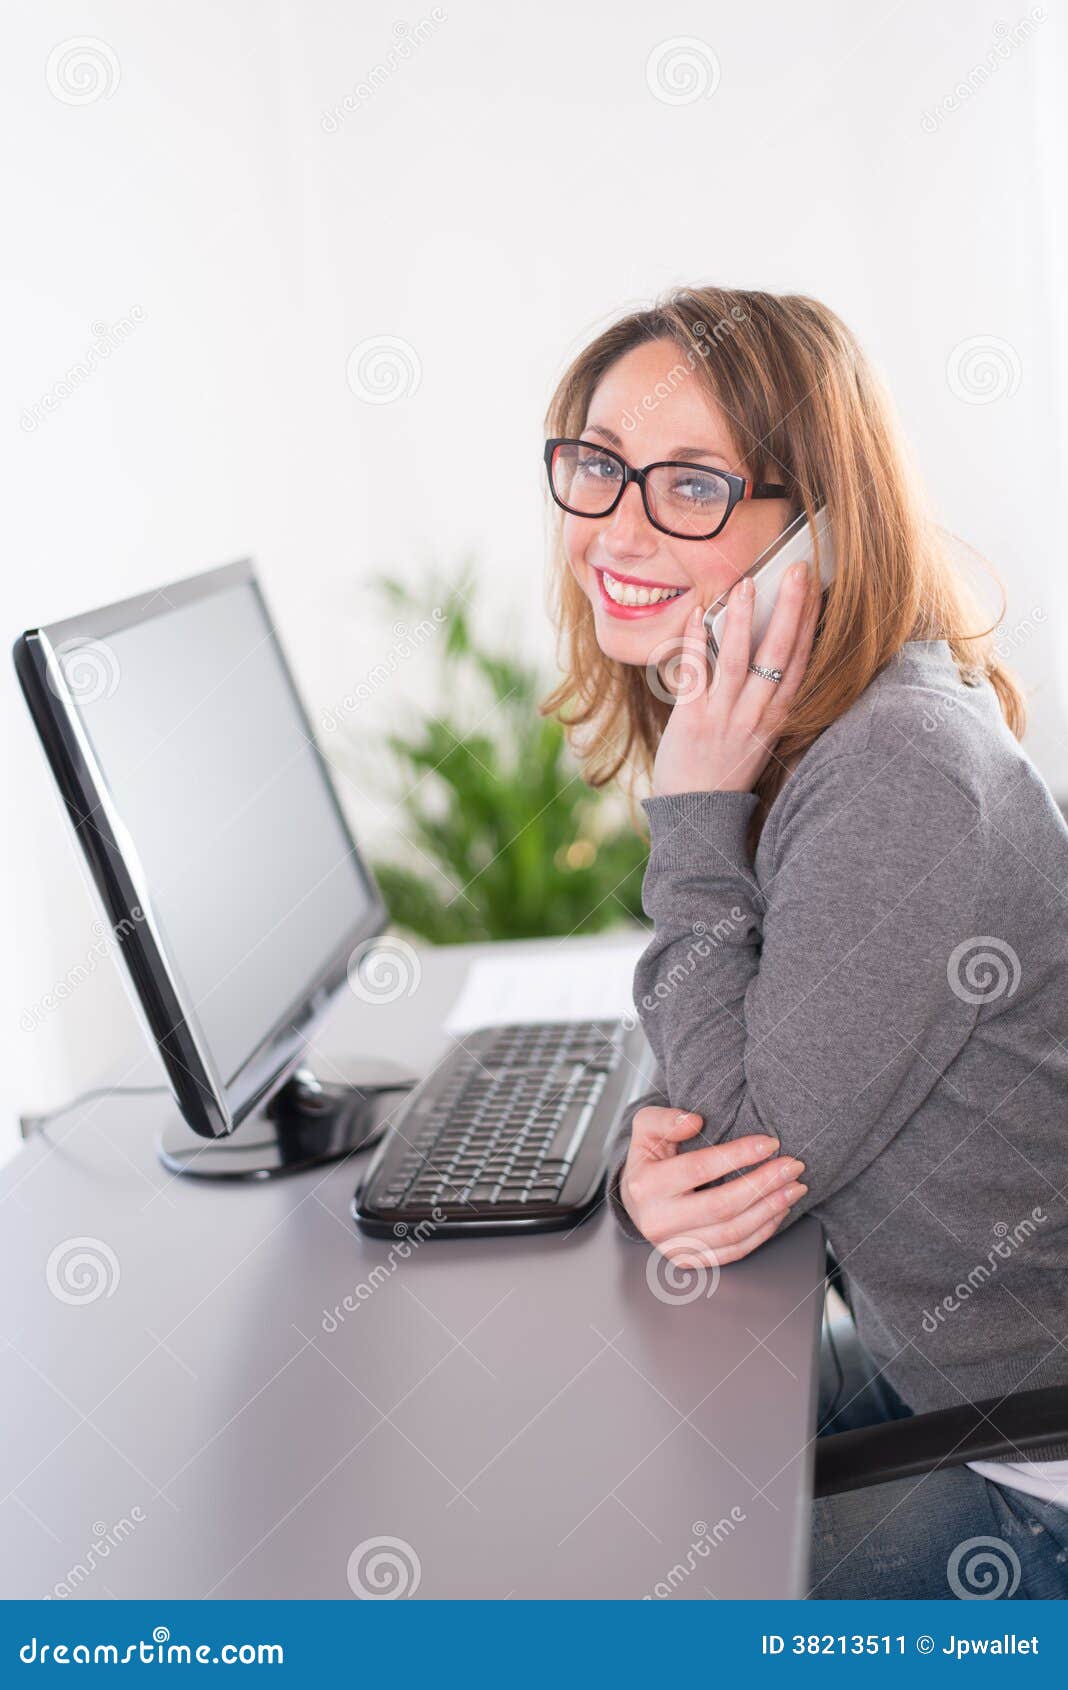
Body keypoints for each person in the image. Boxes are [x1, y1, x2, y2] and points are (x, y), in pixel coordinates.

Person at [540, 287, 1068, 1599]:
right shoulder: (829, 732)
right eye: (598, 464)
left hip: (1030, 1472)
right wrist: (656, 1164)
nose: (615, 525)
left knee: (631, 1606)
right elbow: (738, 1102)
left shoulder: (898, 771)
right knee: (576, 1461)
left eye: (694, 487)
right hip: (934, 1379)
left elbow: (742, 1147)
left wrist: (693, 808)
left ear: (816, 530)